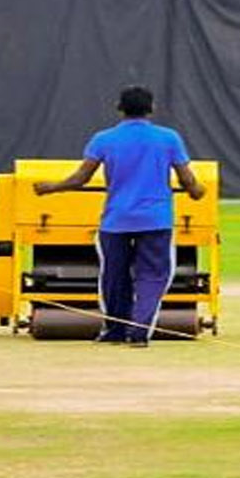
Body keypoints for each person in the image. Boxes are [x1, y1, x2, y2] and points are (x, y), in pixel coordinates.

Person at [34, 85, 205, 347]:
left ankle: (114, 331)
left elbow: (82, 178)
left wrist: (50, 188)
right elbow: (187, 178)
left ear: (119, 107)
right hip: (155, 219)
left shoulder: (103, 139)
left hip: (116, 220)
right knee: (153, 275)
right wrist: (197, 191)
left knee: (114, 275)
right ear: (152, 108)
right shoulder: (168, 138)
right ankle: (138, 332)